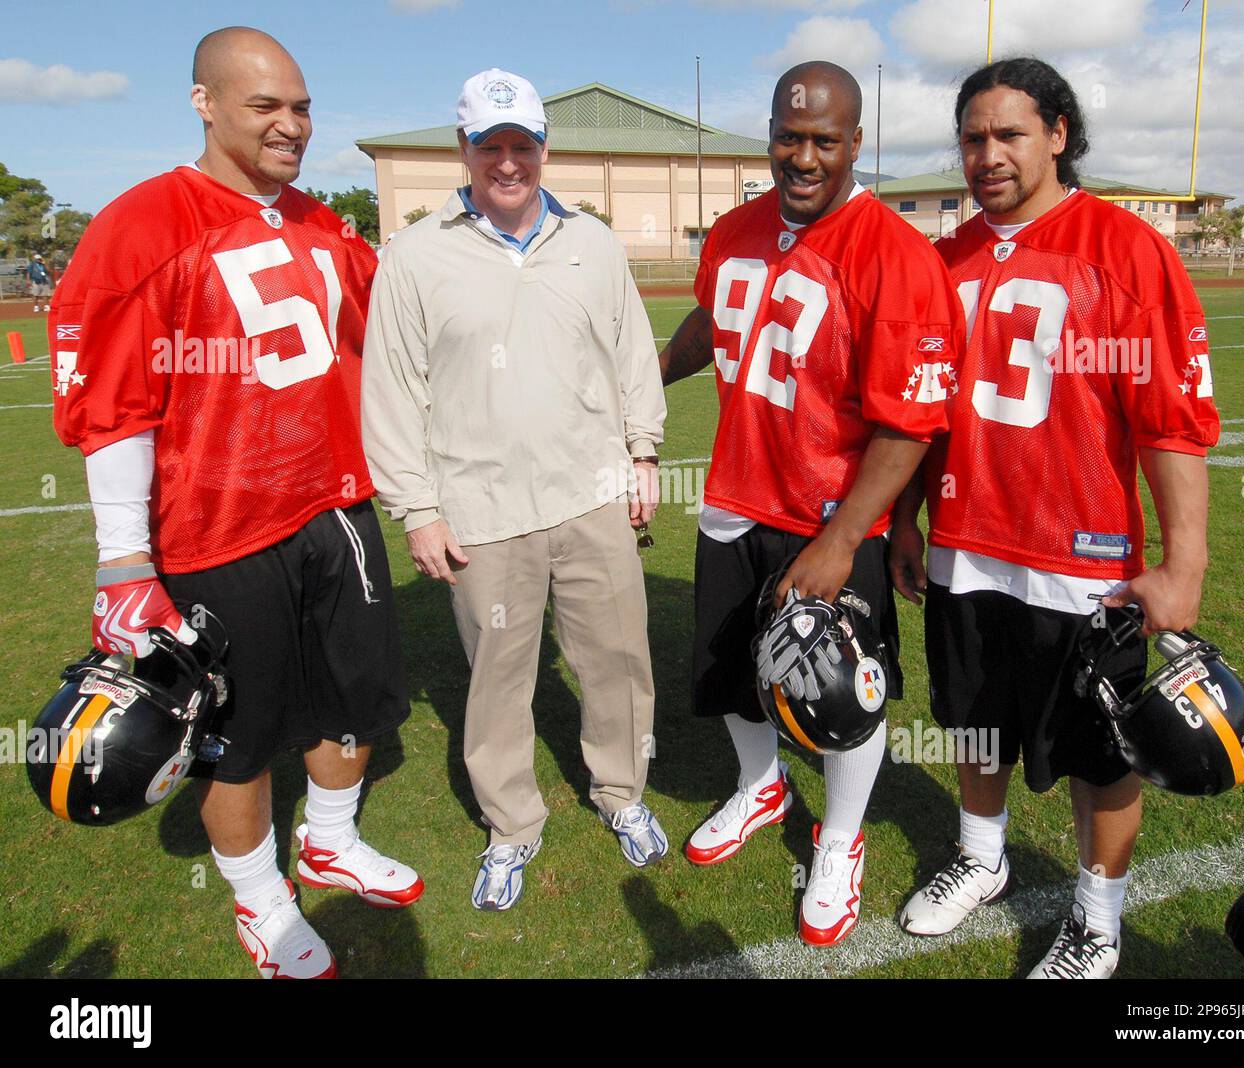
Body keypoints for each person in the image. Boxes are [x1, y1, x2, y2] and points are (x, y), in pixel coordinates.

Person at [49, 26, 422, 980]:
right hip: (216, 529)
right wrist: (126, 559)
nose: (291, 125)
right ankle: (260, 898)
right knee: (238, 733)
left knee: (357, 699)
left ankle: (329, 839)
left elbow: (391, 345)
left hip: (333, 503)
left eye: (301, 106)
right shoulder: (143, 223)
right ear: (204, 103)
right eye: (266, 106)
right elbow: (116, 408)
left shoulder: (322, 223)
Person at [889, 57, 1220, 978]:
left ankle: (1097, 918)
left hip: (1084, 555)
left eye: (1008, 135)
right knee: (973, 721)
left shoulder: (1124, 247)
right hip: (966, 543)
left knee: (1099, 752)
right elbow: (921, 409)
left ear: (1060, 135)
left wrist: (1183, 562)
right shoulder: (942, 260)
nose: (986, 155)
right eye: (972, 138)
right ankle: (982, 857)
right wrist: (907, 522)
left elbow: (1171, 418)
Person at [658, 61, 965, 946]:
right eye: (789, 137)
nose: (802, 155)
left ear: (855, 142)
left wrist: (840, 540)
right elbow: (714, 322)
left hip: (834, 514)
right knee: (731, 675)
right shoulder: (735, 230)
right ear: (769, 136)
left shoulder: (895, 254)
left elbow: (908, 424)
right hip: (735, 493)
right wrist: (645, 376)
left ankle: (840, 840)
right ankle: (761, 788)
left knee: (838, 691)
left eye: (823, 140)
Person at [361, 68, 669, 912]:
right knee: (498, 681)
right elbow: (390, 390)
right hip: (482, 512)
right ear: (463, 149)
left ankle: (622, 792)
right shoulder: (417, 254)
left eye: (521, 145)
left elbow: (631, 351)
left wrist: (643, 453)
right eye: (489, 145)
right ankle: (512, 826)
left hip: (593, 496)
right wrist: (417, 509)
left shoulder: (592, 241)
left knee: (617, 662)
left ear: (543, 148)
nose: (507, 162)